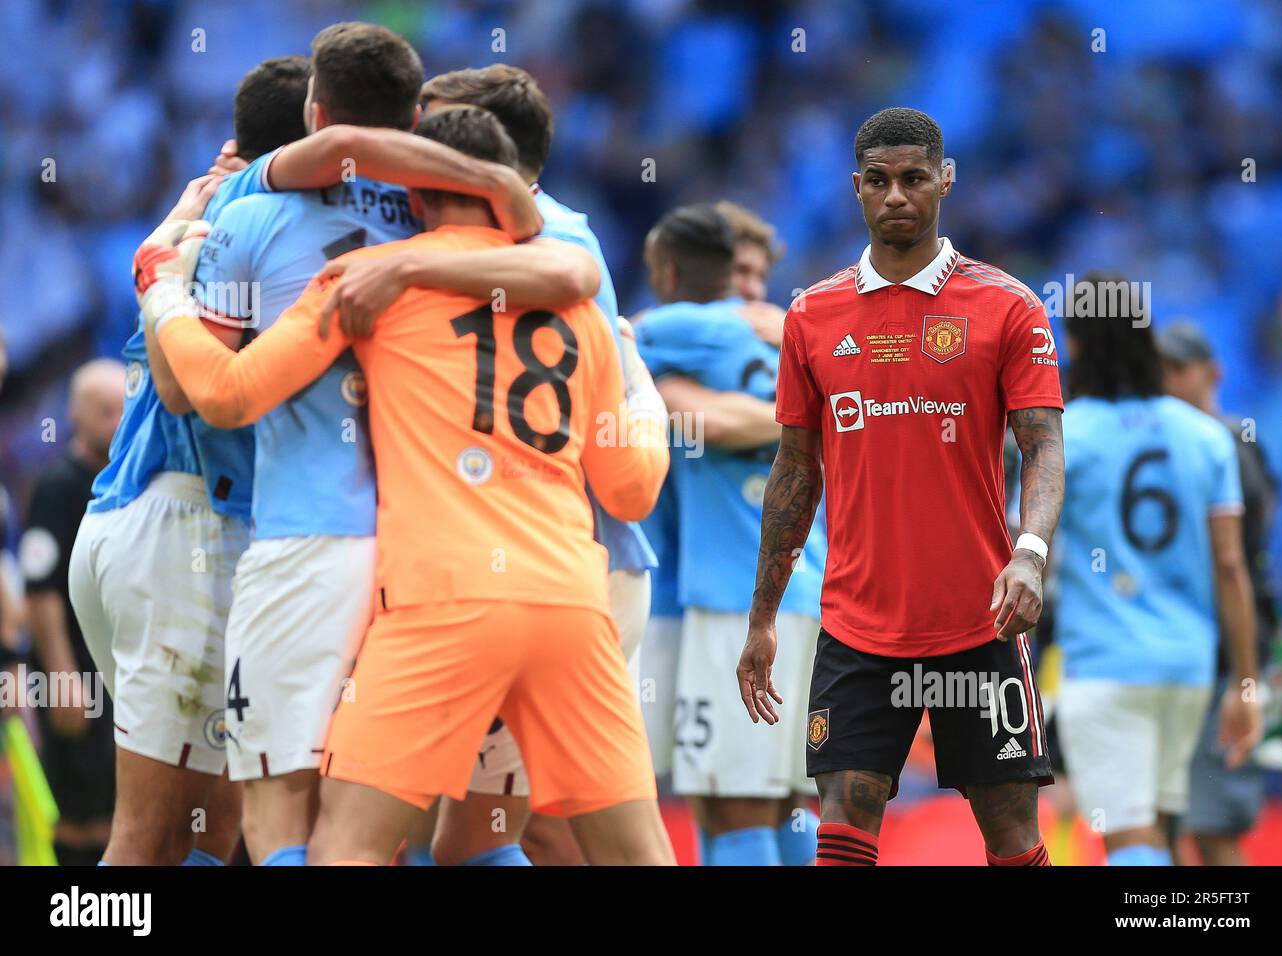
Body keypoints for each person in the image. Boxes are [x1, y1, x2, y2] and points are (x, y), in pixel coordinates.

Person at [139, 103, 674, 866]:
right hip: (570, 607)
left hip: (439, 606)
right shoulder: (580, 308)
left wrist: (161, 292)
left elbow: (226, 393)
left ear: (415, 196)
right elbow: (631, 490)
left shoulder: (373, 281)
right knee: (628, 853)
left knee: (343, 848)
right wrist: (644, 396)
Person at [317, 63, 660, 867]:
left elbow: (570, 280)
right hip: (540, 572)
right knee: (478, 832)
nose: (418, 151)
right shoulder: (509, 238)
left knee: (509, 829)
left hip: (551, 563)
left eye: (434, 131)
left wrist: (402, 265)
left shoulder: (555, 236)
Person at [739, 107, 1064, 866]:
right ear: (855, 188)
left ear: (945, 181)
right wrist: (763, 614)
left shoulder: (1008, 307)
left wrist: (1031, 552)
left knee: (1013, 838)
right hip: (858, 628)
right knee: (843, 827)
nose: (896, 196)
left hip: (983, 620)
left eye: (914, 178)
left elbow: (1043, 446)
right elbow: (794, 469)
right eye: (879, 181)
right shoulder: (811, 315)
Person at [67, 54, 314, 867]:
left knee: (208, 827)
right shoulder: (259, 226)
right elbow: (187, 388)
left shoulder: (203, 211)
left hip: (144, 525)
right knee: (146, 841)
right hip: (188, 530)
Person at [635, 203, 827, 866]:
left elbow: (607, 334)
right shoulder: (802, 345)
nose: (748, 292)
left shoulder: (694, 331)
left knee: (734, 801)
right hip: (790, 595)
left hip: (737, 601)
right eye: (738, 274)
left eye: (757, 276)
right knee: (771, 804)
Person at [1051, 284, 1263, 865]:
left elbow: (1029, 547)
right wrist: (1245, 684)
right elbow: (1230, 566)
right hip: (1189, 669)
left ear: (1079, 343)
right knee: (1157, 835)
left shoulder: (1071, 433)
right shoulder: (1206, 436)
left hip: (1108, 664)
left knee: (1127, 843)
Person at [1159, 320, 1280, 865]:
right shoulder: (1160, 449)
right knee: (1167, 821)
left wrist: (1247, 677)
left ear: (1214, 372)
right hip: (1174, 655)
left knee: (1212, 826)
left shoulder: (1230, 444)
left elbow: (1238, 561)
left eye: (1177, 369)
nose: (1167, 381)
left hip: (1229, 655)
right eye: (1159, 370)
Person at [21, 359, 125, 865]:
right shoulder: (58, 486)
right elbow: (39, 590)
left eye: (124, 411)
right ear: (77, 416)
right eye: (106, 411)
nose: (117, 423)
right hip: (77, 670)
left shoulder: (125, 484)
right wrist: (62, 676)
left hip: (117, 669)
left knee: (117, 803)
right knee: (82, 813)